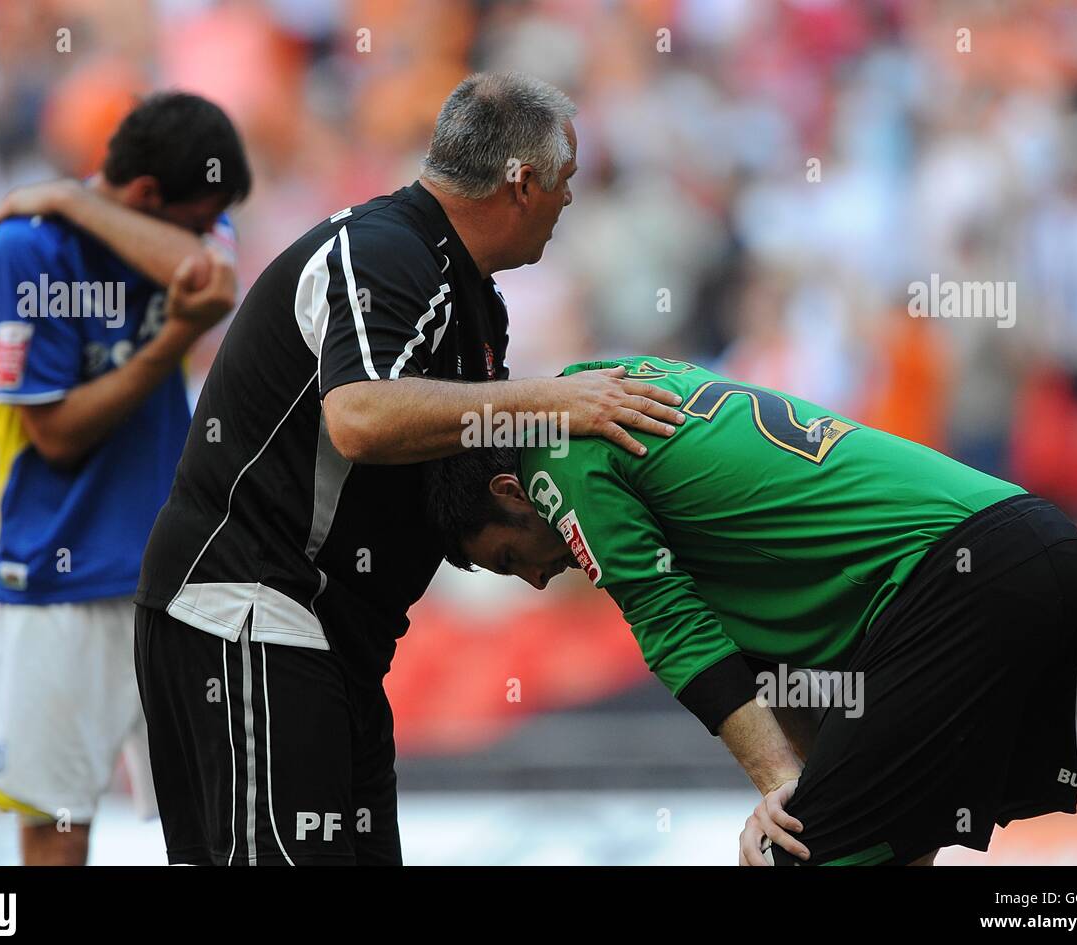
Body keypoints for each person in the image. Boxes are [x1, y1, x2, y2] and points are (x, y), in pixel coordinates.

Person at [133, 72, 684, 866]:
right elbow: (359, 417)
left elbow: (454, 487)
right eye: (565, 184)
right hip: (250, 610)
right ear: (521, 183)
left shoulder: (474, 301)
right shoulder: (384, 251)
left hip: (336, 640)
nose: (570, 203)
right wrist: (557, 401)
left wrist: (539, 538)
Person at [423, 355, 1077, 866]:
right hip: (1032, 549)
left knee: (796, 853)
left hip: (970, 577)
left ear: (513, 491)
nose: (536, 582)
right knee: (884, 849)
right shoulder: (613, 384)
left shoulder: (557, 457)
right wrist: (809, 788)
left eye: (511, 557)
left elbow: (667, 623)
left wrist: (783, 790)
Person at [0, 91, 251, 865]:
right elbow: (54, 435)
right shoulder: (22, 252)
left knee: (220, 815)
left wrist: (70, 199)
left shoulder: (120, 220)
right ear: (151, 197)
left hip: (174, 570)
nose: (211, 230)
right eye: (198, 216)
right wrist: (169, 343)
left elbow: (213, 280)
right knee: (56, 824)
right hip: (56, 573)